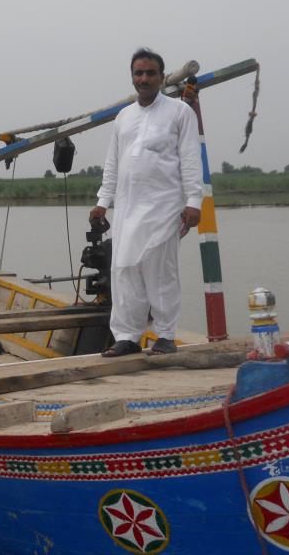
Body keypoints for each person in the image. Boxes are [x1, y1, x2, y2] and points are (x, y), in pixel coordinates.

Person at [89, 48, 203, 356]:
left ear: (162, 77)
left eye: (150, 73)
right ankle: (127, 337)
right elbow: (112, 163)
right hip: (127, 208)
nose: (144, 79)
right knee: (125, 270)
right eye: (138, 73)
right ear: (132, 77)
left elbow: (191, 158)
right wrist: (103, 201)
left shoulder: (180, 113)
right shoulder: (123, 117)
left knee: (160, 271)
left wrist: (194, 200)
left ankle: (165, 335)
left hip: (164, 207)